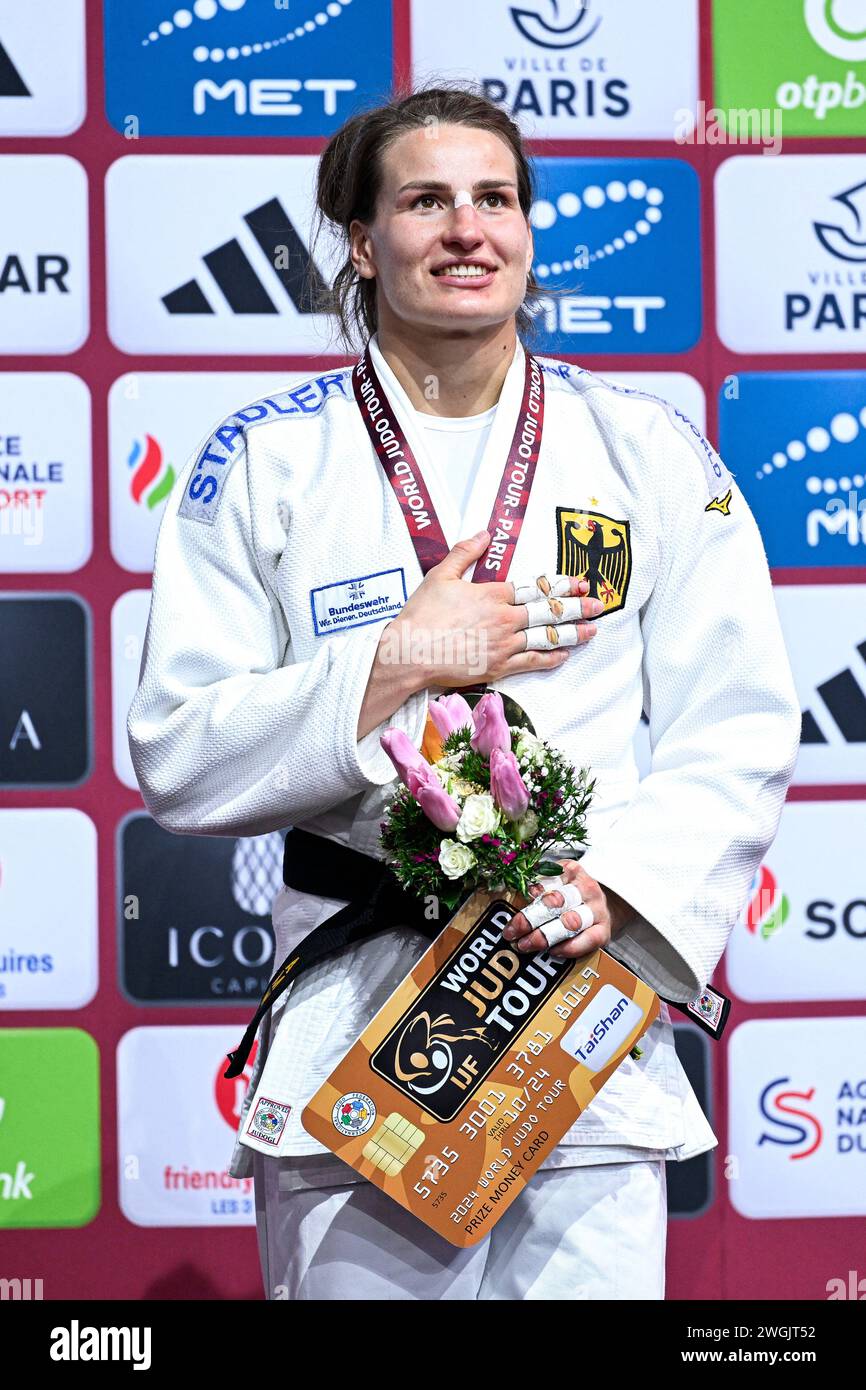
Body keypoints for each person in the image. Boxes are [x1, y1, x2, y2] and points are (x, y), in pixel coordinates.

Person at [127, 84, 802, 1301]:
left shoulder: (642, 447)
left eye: (494, 198)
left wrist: (618, 886)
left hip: (574, 1014)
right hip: (359, 1029)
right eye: (424, 201)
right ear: (360, 241)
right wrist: (398, 656)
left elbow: (739, 718)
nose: (465, 230)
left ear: (527, 230)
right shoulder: (269, 459)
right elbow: (178, 753)